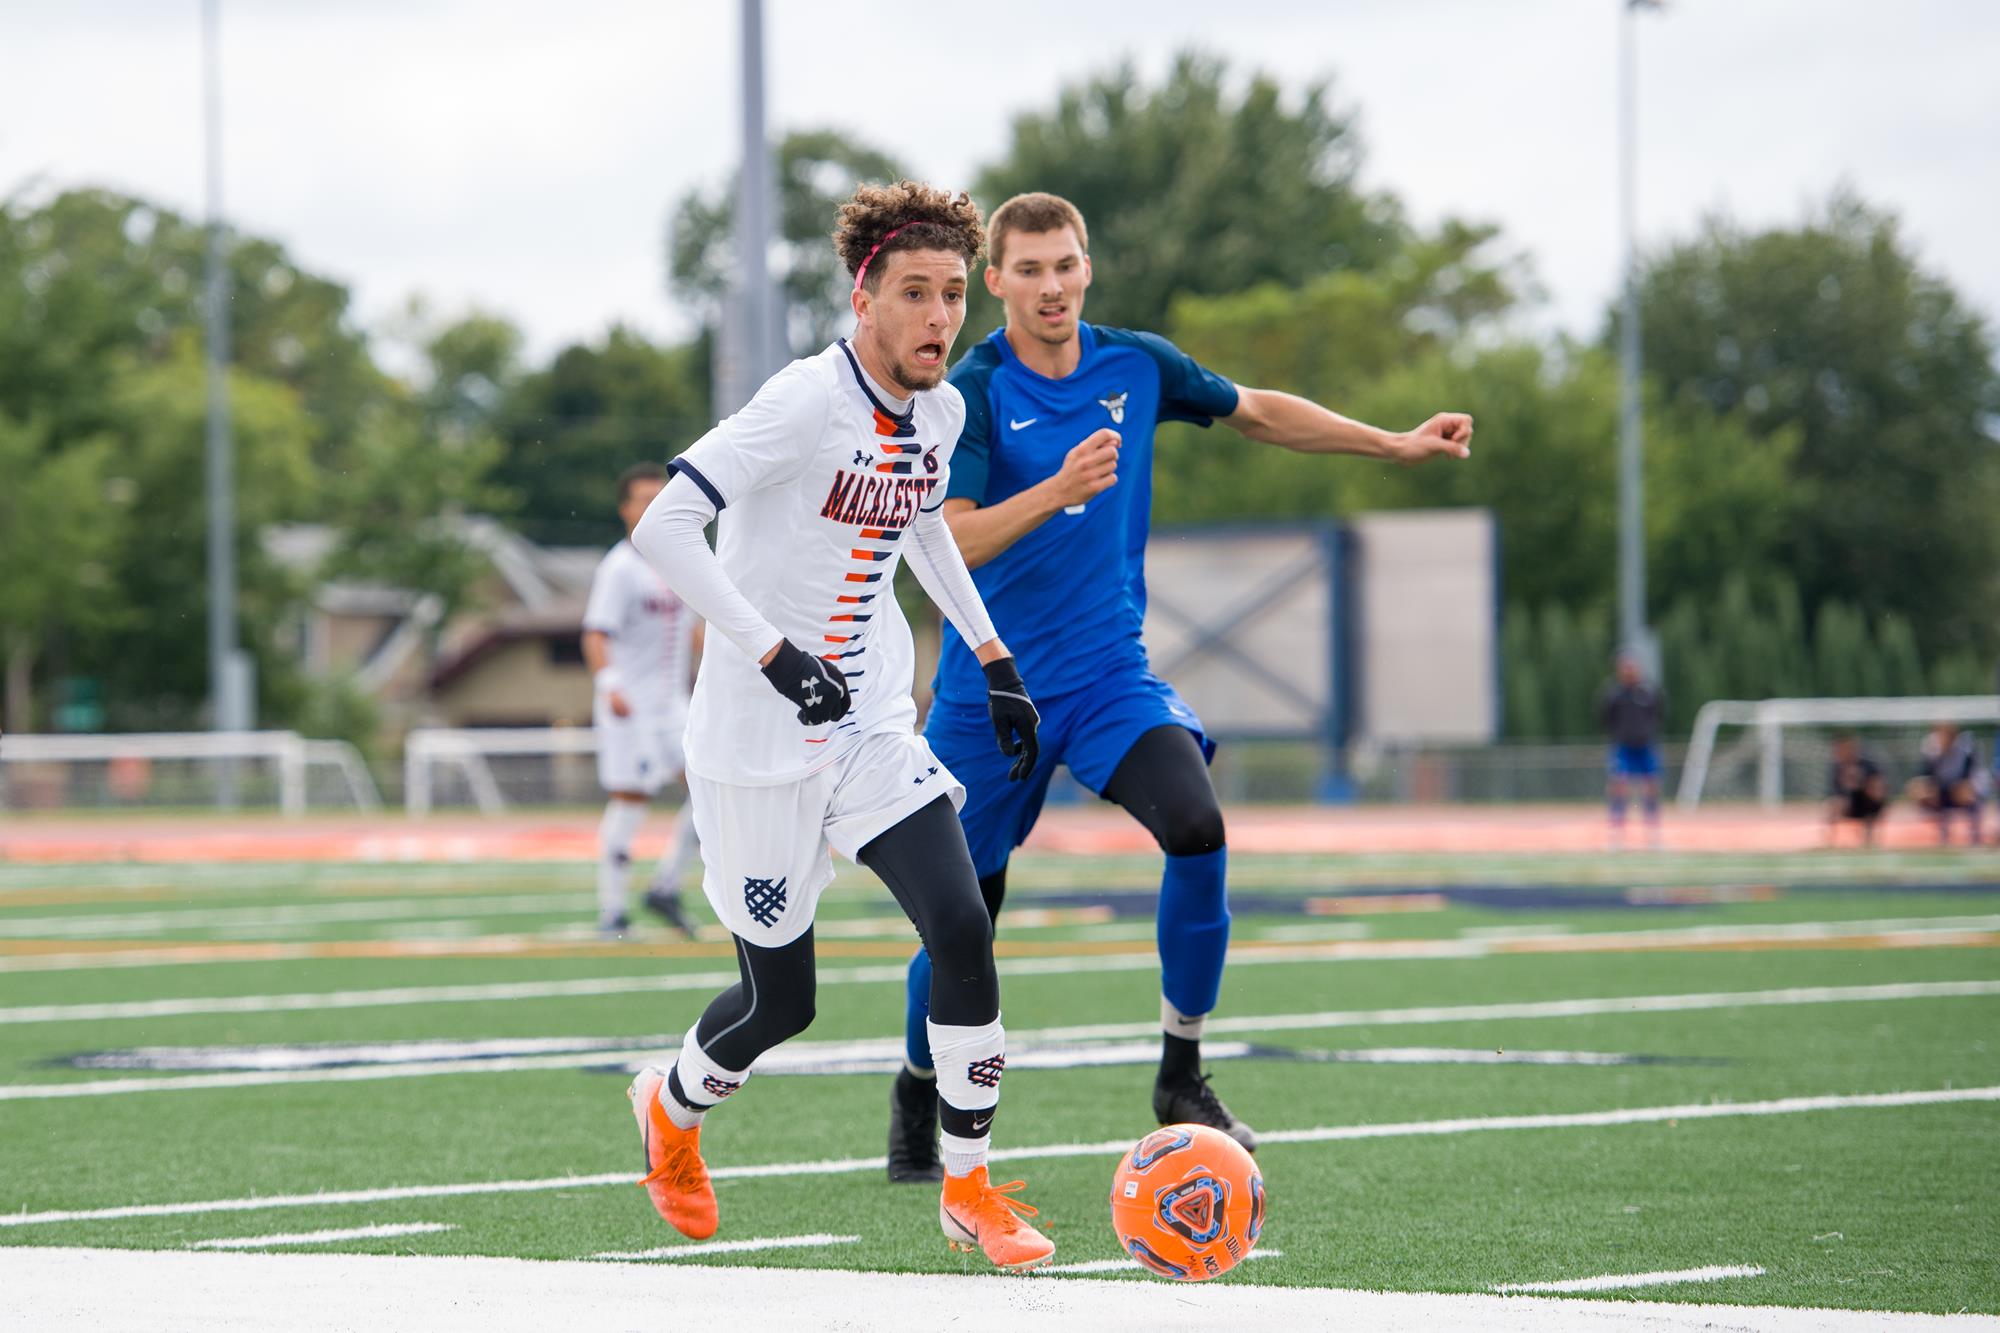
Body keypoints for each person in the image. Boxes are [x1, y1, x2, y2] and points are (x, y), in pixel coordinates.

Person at [885, 191, 1474, 1181]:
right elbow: (942, 536)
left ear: (1086, 267)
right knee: (961, 923)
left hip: (1110, 675)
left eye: (1064, 264)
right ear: (994, 281)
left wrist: (1393, 440)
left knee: (1196, 828)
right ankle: (915, 1085)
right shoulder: (973, 389)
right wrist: (1057, 490)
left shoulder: (1136, 364)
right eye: (1026, 269)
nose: (1049, 286)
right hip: (992, 693)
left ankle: (1180, 1072)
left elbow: (1255, 412)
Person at [624, 181, 1054, 1270]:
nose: (938, 316)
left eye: (954, 294)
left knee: (960, 923)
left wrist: (992, 656)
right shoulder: (799, 401)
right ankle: (670, 1112)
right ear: (863, 296)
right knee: (781, 1004)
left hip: (864, 719)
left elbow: (920, 527)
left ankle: (966, 1187)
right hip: (752, 745)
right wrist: (770, 651)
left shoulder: (941, 410)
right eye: (913, 292)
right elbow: (667, 530)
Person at [582, 462, 704, 938]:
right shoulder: (619, 568)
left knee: (711, 787)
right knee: (631, 800)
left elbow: (695, 631)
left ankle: (666, 886)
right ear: (625, 508)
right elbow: (595, 634)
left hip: (673, 705)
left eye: (662, 496)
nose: (654, 505)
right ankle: (611, 912)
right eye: (645, 498)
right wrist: (609, 685)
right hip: (629, 707)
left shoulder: (675, 560)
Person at [1598, 653, 1665, 848]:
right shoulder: (1614, 694)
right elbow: (1606, 718)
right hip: (1623, 746)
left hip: (1645, 746)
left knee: (1651, 785)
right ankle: (1616, 829)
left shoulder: (1648, 692)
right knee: (1619, 784)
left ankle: (1652, 829)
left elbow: (1659, 714)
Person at [1908, 722, 1983, 846]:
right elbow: (1925, 774)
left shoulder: (1966, 748)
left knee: (1968, 794)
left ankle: (1975, 838)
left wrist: (1962, 786)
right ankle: (1944, 837)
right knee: (1921, 788)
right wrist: (1926, 787)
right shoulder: (1931, 748)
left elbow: (1969, 775)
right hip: (1943, 789)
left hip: (1964, 788)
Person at [1825, 734, 1888, 847]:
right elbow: (1835, 791)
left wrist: (1861, 782)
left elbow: (1879, 785)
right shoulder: (1838, 767)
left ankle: (1870, 838)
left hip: (1867, 802)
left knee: (1875, 795)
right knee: (1833, 805)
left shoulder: (1868, 764)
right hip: (1849, 804)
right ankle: (1830, 842)